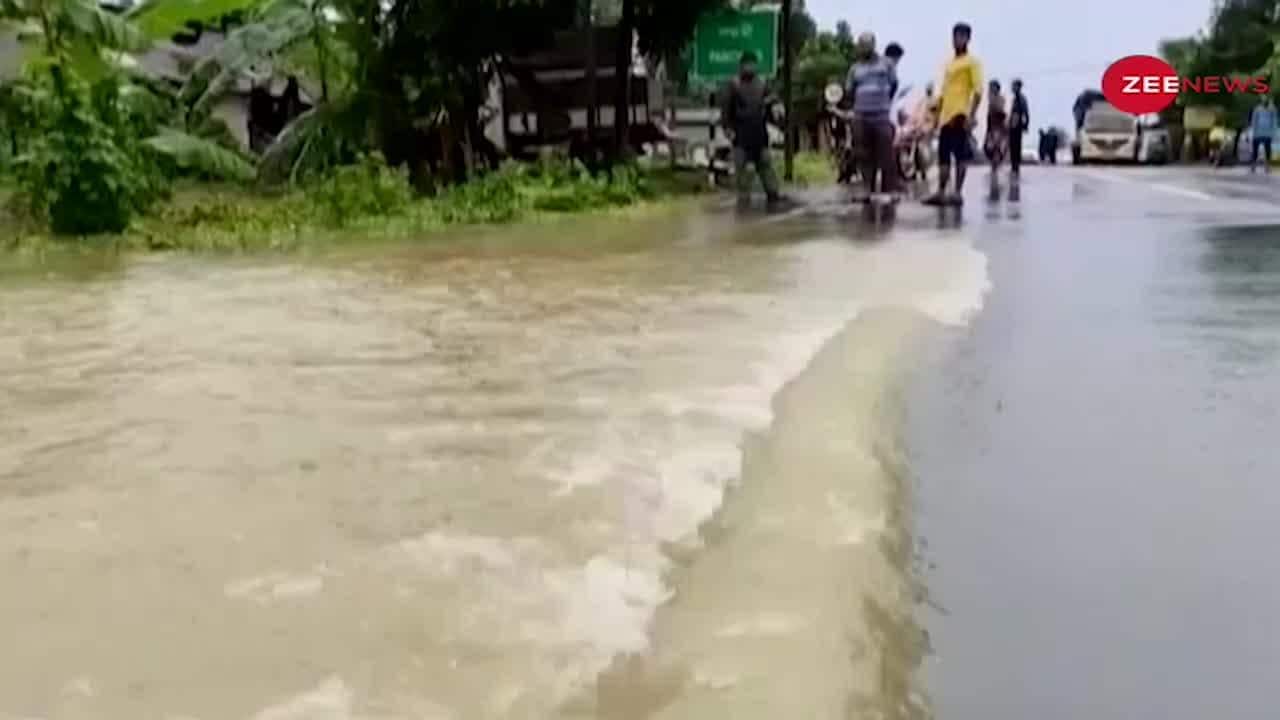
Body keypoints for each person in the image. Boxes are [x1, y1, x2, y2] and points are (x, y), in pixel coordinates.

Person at [925, 22, 983, 205]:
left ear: (967, 39)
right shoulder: (949, 64)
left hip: (960, 114)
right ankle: (941, 192)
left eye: (961, 36)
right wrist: (936, 116)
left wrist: (972, 115)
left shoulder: (972, 63)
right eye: (954, 36)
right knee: (943, 157)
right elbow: (943, 92)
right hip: (945, 117)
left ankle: (957, 192)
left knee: (960, 156)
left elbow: (978, 90)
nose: (956, 40)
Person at [721, 51, 783, 208]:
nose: (750, 67)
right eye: (747, 64)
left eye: (753, 64)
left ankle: (773, 199)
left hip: (760, 134)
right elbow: (726, 110)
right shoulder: (733, 84)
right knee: (742, 174)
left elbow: (773, 102)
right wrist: (728, 129)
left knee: (767, 170)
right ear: (741, 66)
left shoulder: (762, 84)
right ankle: (742, 205)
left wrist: (775, 107)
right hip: (740, 134)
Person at [846, 31, 900, 198]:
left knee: (886, 153)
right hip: (861, 115)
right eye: (861, 45)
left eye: (867, 44)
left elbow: (894, 84)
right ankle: (867, 188)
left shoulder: (886, 64)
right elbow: (849, 90)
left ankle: (889, 190)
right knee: (862, 153)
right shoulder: (855, 68)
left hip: (881, 115)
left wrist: (883, 102)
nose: (864, 48)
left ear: (873, 45)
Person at [984, 80, 1009, 183]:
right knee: (988, 148)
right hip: (991, 128)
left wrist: (993, 102)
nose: (989, 89)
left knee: (995, 148)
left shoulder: (999, 99)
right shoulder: (991, 99)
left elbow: (1001, 112)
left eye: (991, 87)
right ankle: (995, 166)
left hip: (998, 128)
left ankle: (995, 168)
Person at [1009, 79, 1030, 179]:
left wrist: (1026, 125)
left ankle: (1016, 167)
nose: (1012, 88)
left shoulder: (1021, 99)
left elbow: (1026, 113)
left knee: (1016, 146)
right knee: (1012, 146)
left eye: (1014, 86)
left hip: (1017, 125)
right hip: (1012, 124)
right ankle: (1014, 166)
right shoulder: (1013, 99)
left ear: (1018, 87)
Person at [1249, 95, 1276, 174]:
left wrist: (1273, 132)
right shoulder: (1257, 109)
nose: (1265, 102)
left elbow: (1274, 121)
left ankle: (1267, 166)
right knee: (1255, 150)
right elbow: (1254, 120)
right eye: (1264, 101)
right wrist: (1253, 130)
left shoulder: (1272, 109)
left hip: (1267, 133)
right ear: (1261, 101)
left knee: (1267, 150)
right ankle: (1253, 166)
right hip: (1258, 133)